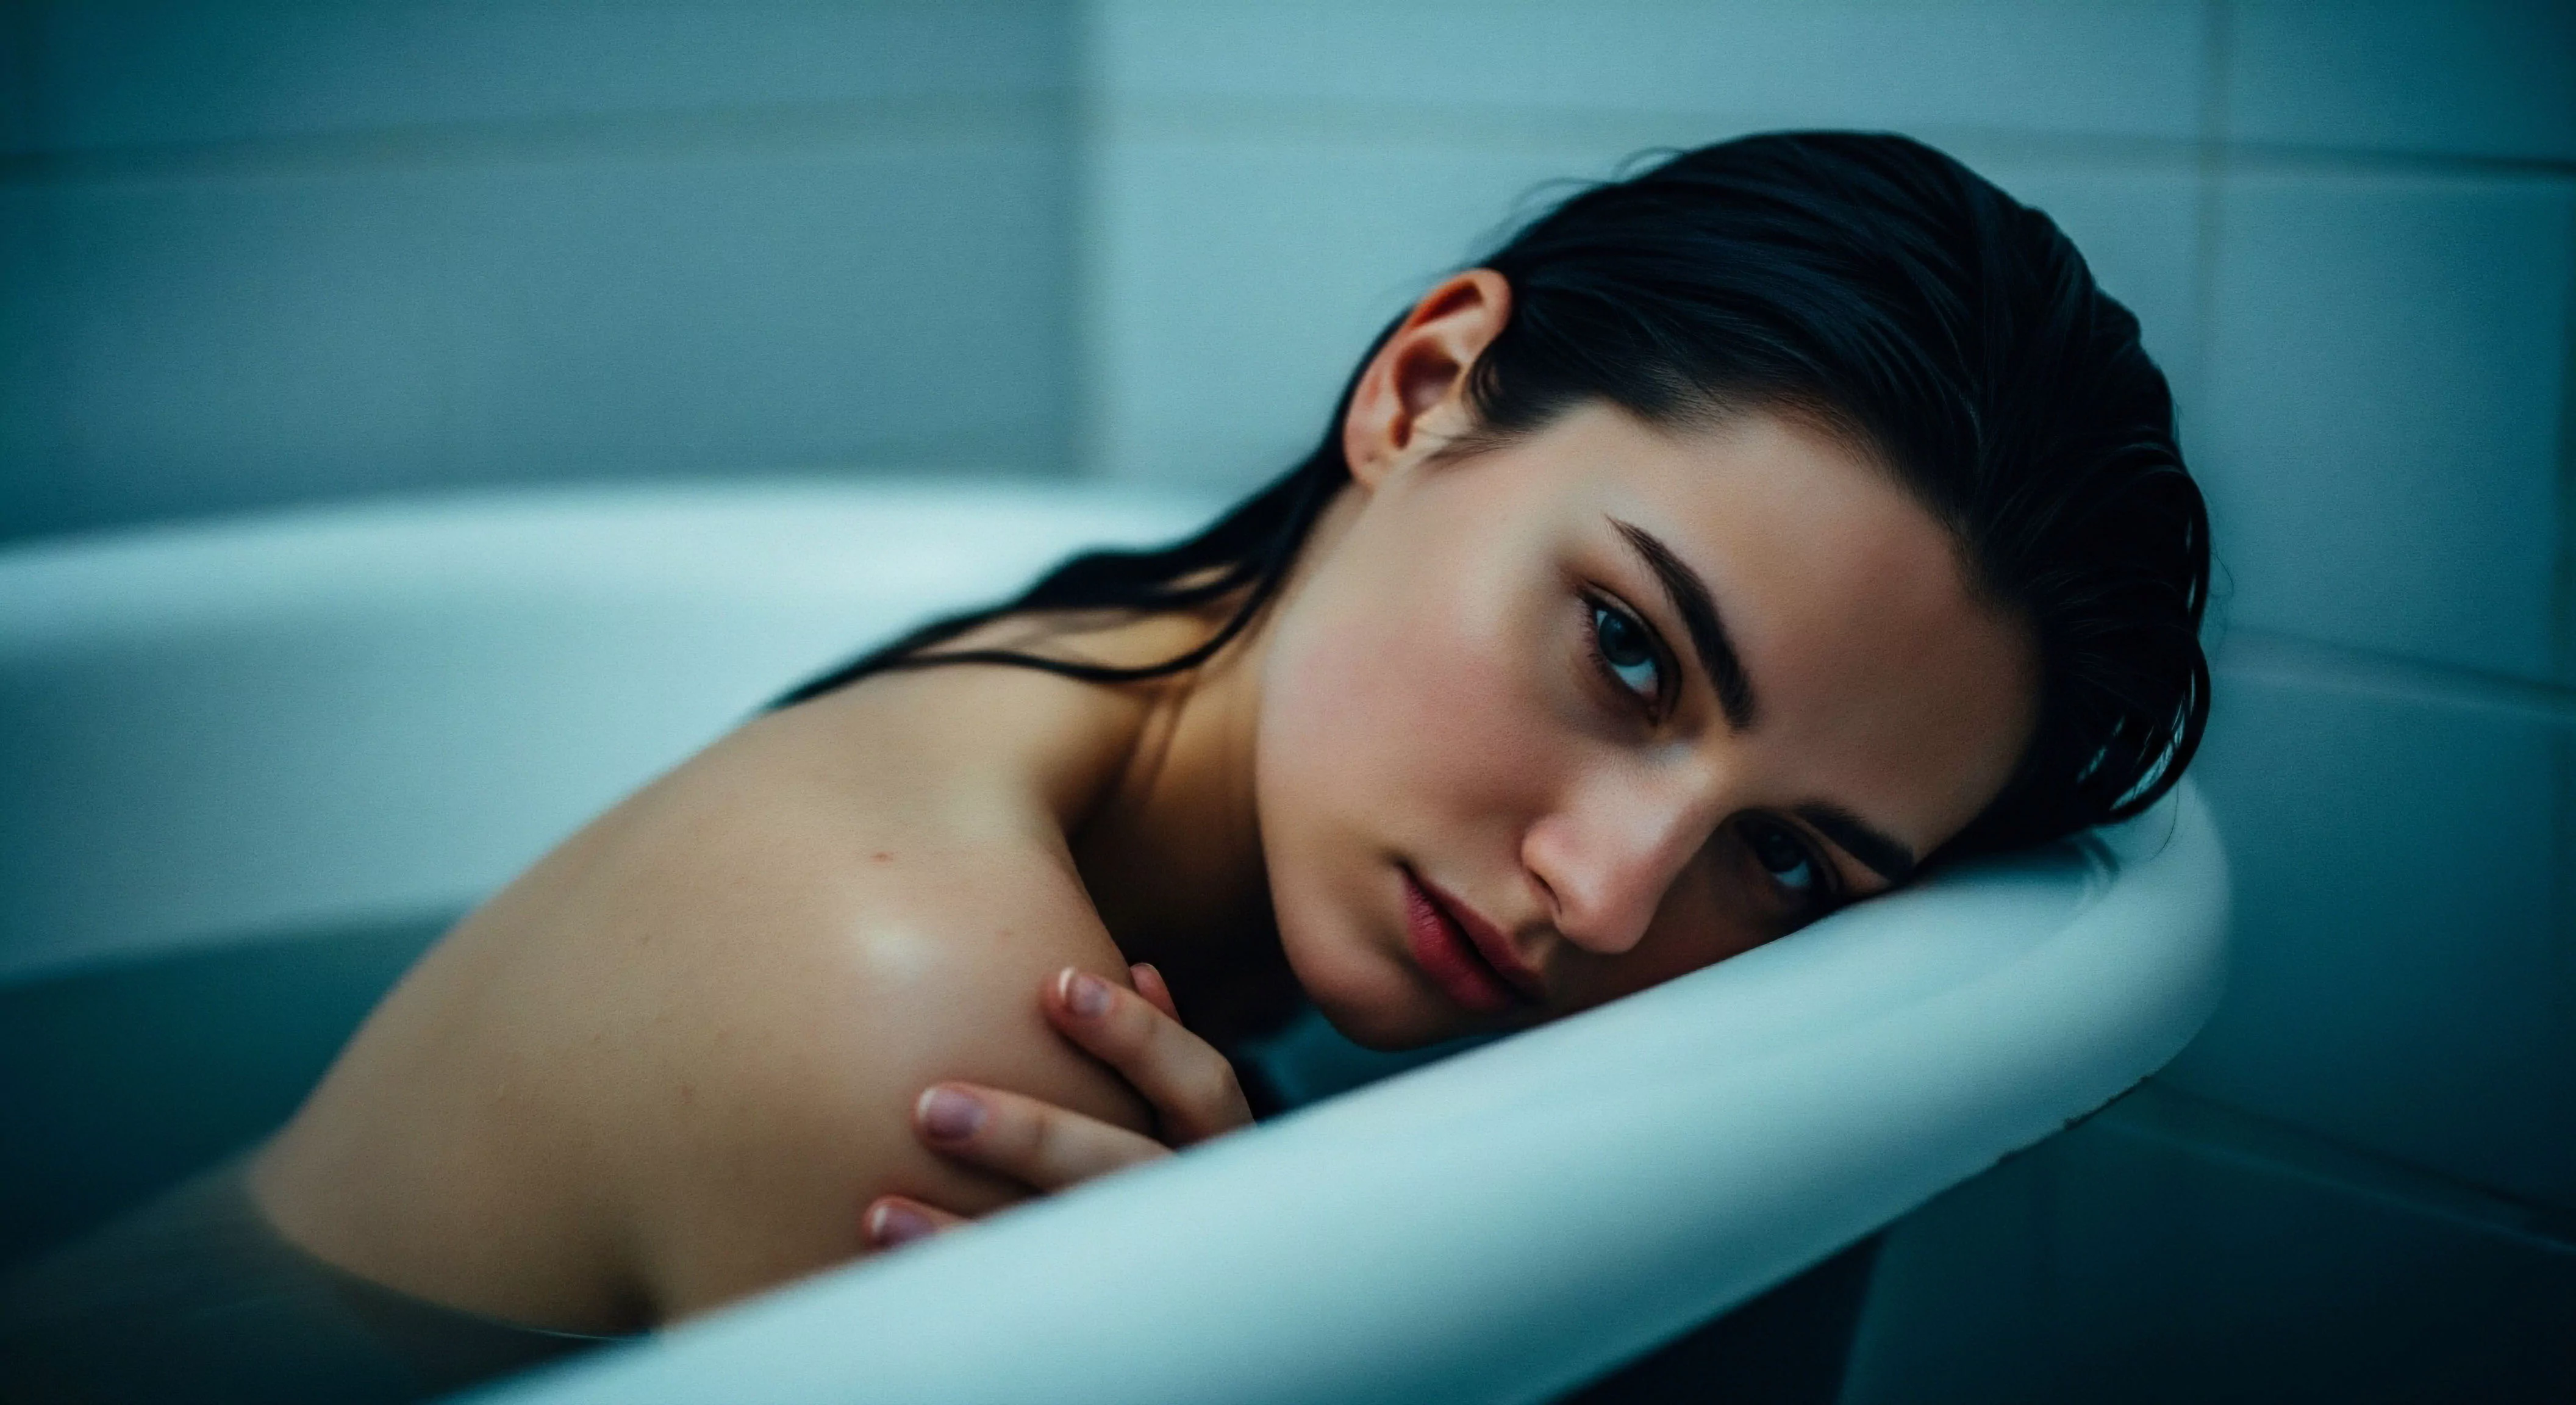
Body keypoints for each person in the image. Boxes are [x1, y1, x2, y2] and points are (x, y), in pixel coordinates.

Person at [0, 130, 2209, 1400]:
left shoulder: (1122, 670)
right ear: (1428, 386)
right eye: (1628, 652)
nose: (1612, 899)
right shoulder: (943, 1033)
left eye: (1792, 870)